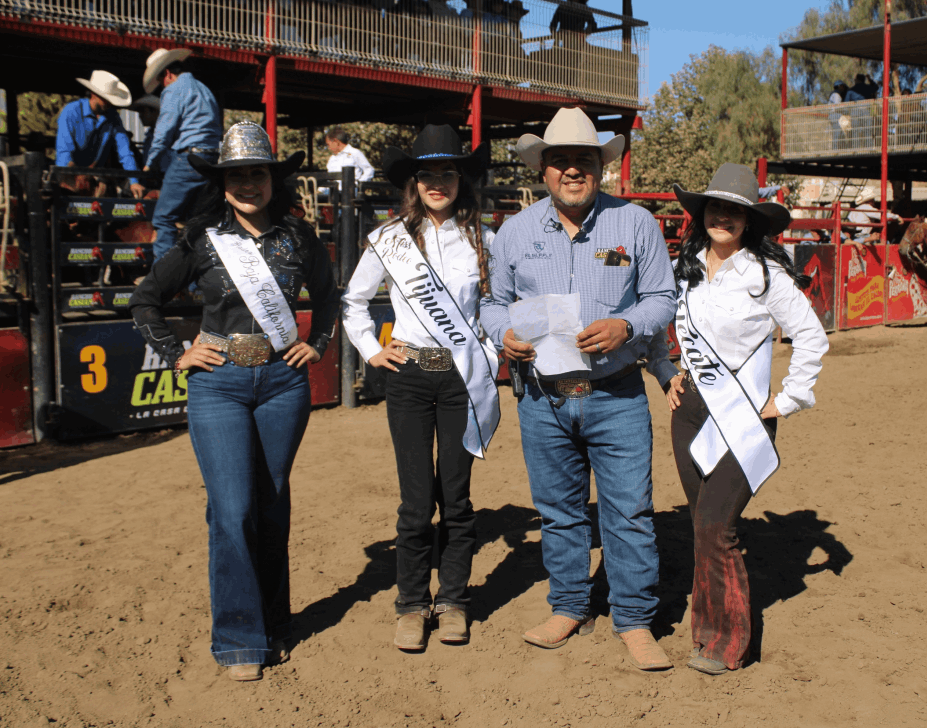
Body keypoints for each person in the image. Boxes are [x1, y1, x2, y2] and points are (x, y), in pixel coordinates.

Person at [129, 121, 338, 682]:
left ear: (273, 179)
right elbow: (144, 303)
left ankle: (275, 621)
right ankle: (239, 637)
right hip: (217, 383)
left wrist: (315, 345)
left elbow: (329, 296)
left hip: (280, 382)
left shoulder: (298, 238)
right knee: (231, 508)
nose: (248, 183)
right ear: (222, 184)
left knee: (270, 504)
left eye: (258, 173)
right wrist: (178, 352)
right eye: (237, 175)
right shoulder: (200, 240)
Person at [479, 107, 676, 671]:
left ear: (601, 167)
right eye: (560, 161)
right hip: (543, 399)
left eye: (583, 161)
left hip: (615, 393)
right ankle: (568, 606)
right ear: (542, 170)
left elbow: (663, 297)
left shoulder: (635, 224)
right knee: (559, 512)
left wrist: (628, 326)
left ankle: (635, 620)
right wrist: (505, 335)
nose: (572, 170)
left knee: (630, 512)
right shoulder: (513, 233)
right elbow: (492, 304)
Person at [646, 163, 829, 675]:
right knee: (701, 527)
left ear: (750, 220)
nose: (723, 216)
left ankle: (731, 644)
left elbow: (813, 338)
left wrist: (788, 400)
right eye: (716, 206)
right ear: (702, 213)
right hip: (691, 412)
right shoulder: (684, 269)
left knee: (715, 525)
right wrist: (666, 371)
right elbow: (658, 328)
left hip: (744, 417)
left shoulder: (766, 276)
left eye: (736, 210)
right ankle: (705, 631)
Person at [342, 124, 500, 651]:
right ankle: (411, 605)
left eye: (447, 172)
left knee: (456, 499)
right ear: (414, 181)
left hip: (462, 381)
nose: (438, 182)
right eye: (427, 173)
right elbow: (352, 302)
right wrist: (371, 350)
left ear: (462, 179)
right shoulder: (389, 239)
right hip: (408, 379)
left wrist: (492, 353)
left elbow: (500, 308)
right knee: (415, 503)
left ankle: (453, 600)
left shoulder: (485, 238)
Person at [141, 47, 224, 262]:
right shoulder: (204, 89)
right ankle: (197, 282)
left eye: (161, 80)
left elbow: (164, 130)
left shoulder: (174, 89)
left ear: (167, 74)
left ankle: (165, 280)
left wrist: (150, 163)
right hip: (211, 160)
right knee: (197, 221)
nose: (162, 86)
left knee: (163, 218)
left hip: (188, 159)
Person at [55, 70, 145, 198]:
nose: (110, 103)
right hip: (69, 176)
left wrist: (134, 181)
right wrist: (73, 175)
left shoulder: (113, 117)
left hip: (94, 176)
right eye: (106, 98)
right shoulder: (71, 111)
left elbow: (125, 152)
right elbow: (64, 151)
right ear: (94, 94)